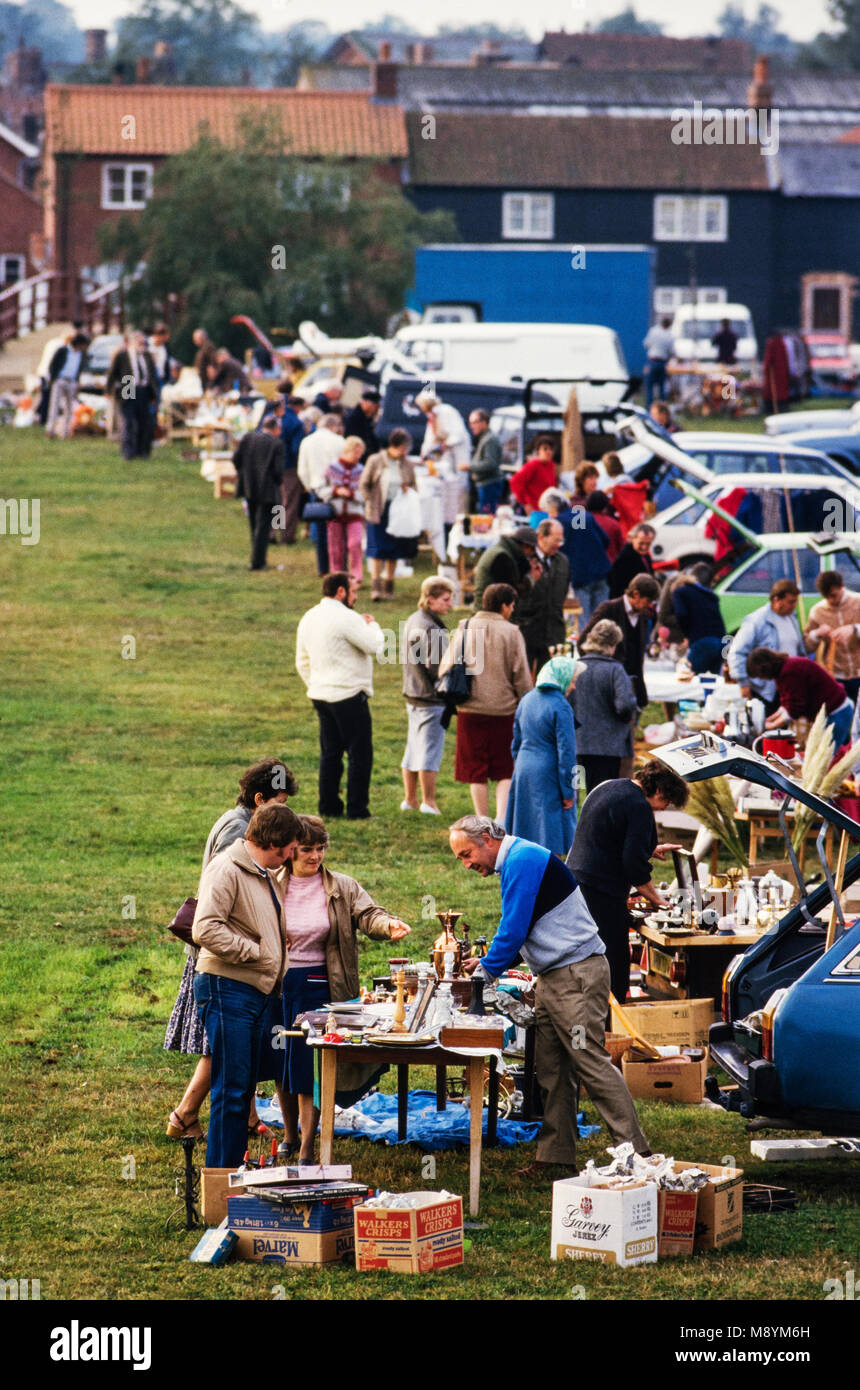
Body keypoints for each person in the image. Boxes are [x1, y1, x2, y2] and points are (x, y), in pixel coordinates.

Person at [451, 815, 649, 1178]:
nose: (466, 864)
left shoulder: (522, 860)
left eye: (466, 854)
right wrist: (490, 961)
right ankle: (555, 1158)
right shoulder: (519, 859)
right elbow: (524, 926)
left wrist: (483, 974)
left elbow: (512, 929)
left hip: (574, 976)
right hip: (556, 977)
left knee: (590, 1061)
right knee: (553, 1069)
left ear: (486, 839)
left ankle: (638, 1155)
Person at [165, 758, 298, 1142]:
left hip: (236, 961)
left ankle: (236, 1116)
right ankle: (187, 1115)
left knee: (233, 1052)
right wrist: (259, 948)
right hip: (227, 965)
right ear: (260, 800)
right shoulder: (239, 834)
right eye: (279, 803)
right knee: (224, 1050)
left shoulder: (237, 820)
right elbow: (224, 908)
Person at [274, 815, 412, 1160]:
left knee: (311, 1068)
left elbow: (369, 914)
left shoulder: (342, 886)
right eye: (307, 849)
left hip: (323, 985)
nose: (315, 856)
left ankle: (308, 1145)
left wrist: (388, 925)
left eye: (321, 848)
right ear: (291, 849)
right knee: (281, 1062)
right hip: (275, 984)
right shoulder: (270, 884)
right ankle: (289, 1134)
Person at [192, 802, 303, 1169]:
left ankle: (234, 1174)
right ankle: (220, 1179)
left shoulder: (263, 873)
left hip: (254, 992)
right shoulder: (226, 868)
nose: (291, 857)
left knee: (242, 1088)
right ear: (274, 842)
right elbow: (205, 928)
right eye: (289, 849)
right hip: (228, 989)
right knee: (233, 1090)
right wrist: (256, 951)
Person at [569, 762, 688, 1007]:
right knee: (614, 957)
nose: (664, 808)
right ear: (659, 792)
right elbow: (633, 866)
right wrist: (658, 901)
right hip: (600, 888)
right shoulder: (639, 806)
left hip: (577, 878)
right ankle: (613, 1017)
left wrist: (650, 848)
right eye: (667, 802)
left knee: (588, 949)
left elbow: (612, 835)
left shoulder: (611, 786)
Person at [438, 582, 532, 820]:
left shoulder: (465, 627)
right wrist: (527, 700)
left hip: (470, 707)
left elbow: (444, 668)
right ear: (503, 606)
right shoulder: (512, 632)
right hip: (504, 709)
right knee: (505, 769)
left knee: (475, 770)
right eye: (511, 605)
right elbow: (520, 673)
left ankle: (482, 819)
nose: (512, 610)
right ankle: (501, 820)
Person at [296, 572, 384, 819]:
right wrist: (372, 624)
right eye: (354, 592)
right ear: (341, 592)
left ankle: (328, 806)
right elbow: (376, 646)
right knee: (359, 754)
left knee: (330, 753)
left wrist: (315, 684)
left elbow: (301, 660)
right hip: (349, 694)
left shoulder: (309, 617)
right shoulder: (348, 617)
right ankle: (357, 809)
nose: (356, 597)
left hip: (320, 695)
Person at [579, 573, 660, 771]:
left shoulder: (642, 616)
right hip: (608, 684)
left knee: (627, 741)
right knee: (610, 736)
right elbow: (584, 642)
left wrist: (641, 694)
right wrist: (606, 670)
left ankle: (623, 779)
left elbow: (638, 655)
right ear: (635, 594)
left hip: (630, 683)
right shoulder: (609, 609)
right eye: (648, 601)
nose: (649, 606)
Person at [506, 655, 578, 856]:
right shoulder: (561, 706)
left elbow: (516, 742)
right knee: (549, 832)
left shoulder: (526, 699)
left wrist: (520, 766)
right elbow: (567, 753)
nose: (573, 686)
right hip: (548, 771)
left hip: (523, 767)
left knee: (526, 826)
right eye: (572, 681)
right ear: (561, 678)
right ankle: (550, 876)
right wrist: (568, 791)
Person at [400, 576, 454, 814]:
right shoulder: (431, 628)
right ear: (431, 600)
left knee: (413, 748)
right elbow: (436, 667)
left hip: (412, 693)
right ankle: (428, 802)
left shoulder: (414, 619)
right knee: (429, 751)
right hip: (430, 697)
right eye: (445, 599)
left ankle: (410, 799)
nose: (450, 604)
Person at [571, 619, 638, 794]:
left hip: (578, 744)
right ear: (611, 645)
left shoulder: (575, 667)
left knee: (576, 797)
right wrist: (633, 704)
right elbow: (624, 705)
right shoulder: (615, 670)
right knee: (602, 798)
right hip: (608, 746)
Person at [727, 579, 807, 711]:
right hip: (766, 689)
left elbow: (799, 650)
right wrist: (743, 683)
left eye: (795, 602)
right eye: (791, 602)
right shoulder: (757, 621)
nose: (794, 605)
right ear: (776, 600)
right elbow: (737, 652)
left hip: (788, 685)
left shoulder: (792, 618)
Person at [747, 648, 853, 747]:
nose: (761, 679)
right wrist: (770, 721)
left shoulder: (789, 672)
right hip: (836, 711)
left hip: (837, 712)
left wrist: (770, 727)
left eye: (759, 676)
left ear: (764, 669)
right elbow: (787, 704)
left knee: (830, 759)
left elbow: (795, 708)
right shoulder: (784, 670)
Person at [359, 427, 418, 602]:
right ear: (395, 445)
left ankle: (389, 584)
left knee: (393, 549)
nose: (404, 452)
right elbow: (364, 483)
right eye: (403, 448)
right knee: (377, 549)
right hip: (378, 510)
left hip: (398, 511)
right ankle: (375, 586)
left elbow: (415, 485)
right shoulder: (376, 460)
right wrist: (370, 500)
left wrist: (409, 489)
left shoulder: (407, 464)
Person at [541, 487, 611, 627]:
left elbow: (552, 551)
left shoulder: (557, 524)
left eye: (547, 511)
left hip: (579, 576)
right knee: (602, 620)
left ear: (552, 507)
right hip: (600, 571)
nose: (549, 515)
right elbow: (605, 541)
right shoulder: (581, 514)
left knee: (582, 623)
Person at [512, 517, 570, 673]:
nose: (559, 544)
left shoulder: (563, 562)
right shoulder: (524, 560)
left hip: (553, 632)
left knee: (550, 679)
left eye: (561, 540)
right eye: (555, 540)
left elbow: (562, 593)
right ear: (541, 537)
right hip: (527, 630)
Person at [233, 414, 284, 571]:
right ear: (276, 429)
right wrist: (277, 482)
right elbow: (277, 471)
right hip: (267, 489)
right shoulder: (276, 444)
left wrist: (244, 473)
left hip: (249, 486)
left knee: (253, 524)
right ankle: (257, 561)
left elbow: (236, 458)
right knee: (263, 527)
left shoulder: (248, 438)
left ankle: (256, 557)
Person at [298, 412, 344, 576]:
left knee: (320, 530)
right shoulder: (339, 441)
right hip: (337, 490)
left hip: (316, 488)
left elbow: (302, 470)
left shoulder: (307, 441)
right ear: (333, 426)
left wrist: (309, 486)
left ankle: (322, 567)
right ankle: (338, 566)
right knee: (338, 529)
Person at [805, 570, 860, 703]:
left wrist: (854, 629)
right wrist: (817, 634)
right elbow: (807, 647)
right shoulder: (817, 611)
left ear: (842, 585)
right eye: (826, 597)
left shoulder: (858, 601)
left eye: (833, 595)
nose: (831, 600)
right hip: (836, 676)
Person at [318, 436, 366, 586]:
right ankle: (337, 576)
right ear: (346, 451)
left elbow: (366, 493)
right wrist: (335, 491)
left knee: (355, 543)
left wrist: (352, 495)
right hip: (335, 512)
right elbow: (320, 488)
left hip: (354, 513)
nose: (357, 456)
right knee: (335, 547)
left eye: (360, 453)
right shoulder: (332, 468)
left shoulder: (362, 470)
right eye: (355, 453)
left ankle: (356, 577)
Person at [105, 330, 157, 460]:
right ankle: (128, 452)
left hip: (143, 388)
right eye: (139, 342)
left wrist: (153, 395)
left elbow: (152, 375)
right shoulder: (123, 355)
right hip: (128, 384)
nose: (142, 345)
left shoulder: (147, 356)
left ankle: (143, 451)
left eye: (143, 343)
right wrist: (108, 390)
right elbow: (112, 373)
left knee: (144, 422)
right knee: (128, 421)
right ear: (133, 343)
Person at [471, 526, 541, 612]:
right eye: (532, 549)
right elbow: (509, 594)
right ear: (525, 545)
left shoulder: (503, 552)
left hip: (486, 613)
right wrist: (531, 578)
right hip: (489, 616)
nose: (532, 554)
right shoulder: (502, 557)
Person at [671, 567, 726, 673]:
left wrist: (687, 635)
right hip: (721, 641)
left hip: (702, 641)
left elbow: (681, 614)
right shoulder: (709, 595)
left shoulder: (679, 591)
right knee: (713, 682)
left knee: (691, 677)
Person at [45, 330, 90, 439]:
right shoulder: (63, 350)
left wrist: (77, 381)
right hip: (60, 379)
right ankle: (50, 430)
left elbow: (79, 369)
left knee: (69, 407)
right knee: (55, 406)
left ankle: (65, 432)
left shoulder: (81, 355)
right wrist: (53, 379)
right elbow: (53, 365)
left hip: (72, 381)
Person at [276, 392, 306, 545]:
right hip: (289, 466)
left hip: (274, 465)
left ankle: (273, 531)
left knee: (278, 500)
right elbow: (297, 448)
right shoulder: (296, 423)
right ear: (298, 407)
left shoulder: (277, 417)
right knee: (290, 501)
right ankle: (286, 536)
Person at [510, 436, 558, 524]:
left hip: (547, 510)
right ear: (538, 451)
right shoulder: (533, 465)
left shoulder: (551, 465)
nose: (548, 452)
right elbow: (515, 482)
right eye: (545, 449)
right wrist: (526, 503)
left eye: (551, 449)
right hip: (535, 511)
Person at [468, 408, 506, 513]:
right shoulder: (485, 437)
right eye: (470, 423)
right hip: (485, 485)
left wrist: (469, 466)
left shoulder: (490, 439)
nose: (472, 426)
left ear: (484, 422)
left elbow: (490, 463)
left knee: (486, 518)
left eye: (474, 422)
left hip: (489, 485)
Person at [608, 522, 656, 599]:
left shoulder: (644, 556)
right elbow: (617, 586)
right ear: (632, 539)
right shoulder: (625, 558)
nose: (644, 547)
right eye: (641, 543)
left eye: (648, 544)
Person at [643, 316, 675, 406]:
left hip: (652, 361)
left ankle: (649, 410)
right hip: (662, 363)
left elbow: (646, 344)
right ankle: (661, 409)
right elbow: (671, 352)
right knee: (662, 388)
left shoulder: (653, 331)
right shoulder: (670, 336)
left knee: (650, 388)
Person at [585, 491, 624, 564]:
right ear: (605, 506)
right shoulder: (613, 524)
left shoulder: (581, 523)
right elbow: (621, 548)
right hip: (608, 565)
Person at [343, 389, 381, 458]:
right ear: (364, 402)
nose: (375, 408)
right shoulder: (353, 417)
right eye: (373, 405)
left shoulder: (368, 418)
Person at [762, 331, 790, 413]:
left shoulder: (771, 343)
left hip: (774, 373)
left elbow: (768, 359)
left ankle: (773, 408)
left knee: (773, 391)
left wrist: (766, 368)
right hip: (781, 371)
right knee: (780, 391)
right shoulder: (783, 344)